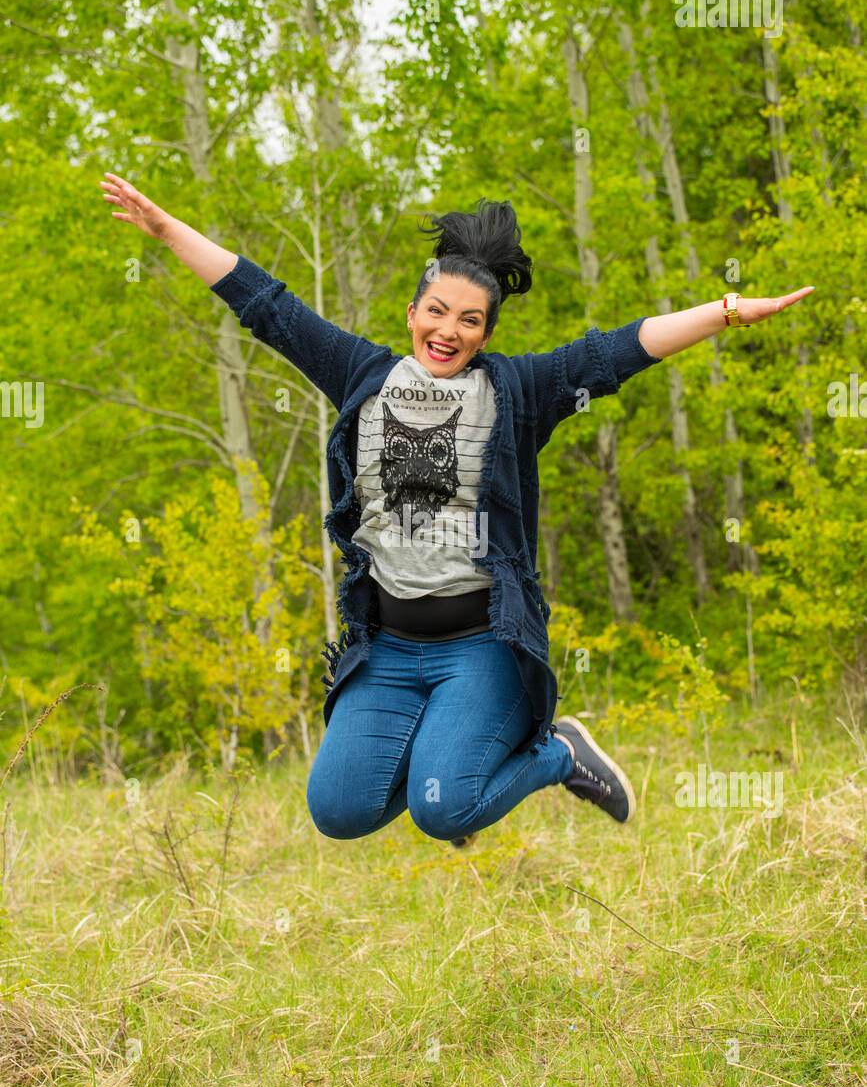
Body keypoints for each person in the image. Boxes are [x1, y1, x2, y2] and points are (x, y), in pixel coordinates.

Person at [100, 173, 814, 849]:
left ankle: (557, 753)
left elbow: (617, 351)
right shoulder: (361, 375)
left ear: (484, 332)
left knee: (444, 810)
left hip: (479, 646)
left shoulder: (519, 391)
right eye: (436, 312)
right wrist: (165, 229)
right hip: (386, 648)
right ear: (412, 313)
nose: (448, 330)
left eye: (469, 320)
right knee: (340, 812)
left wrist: (724, 313)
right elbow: (266, 305)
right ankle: (452, 752)